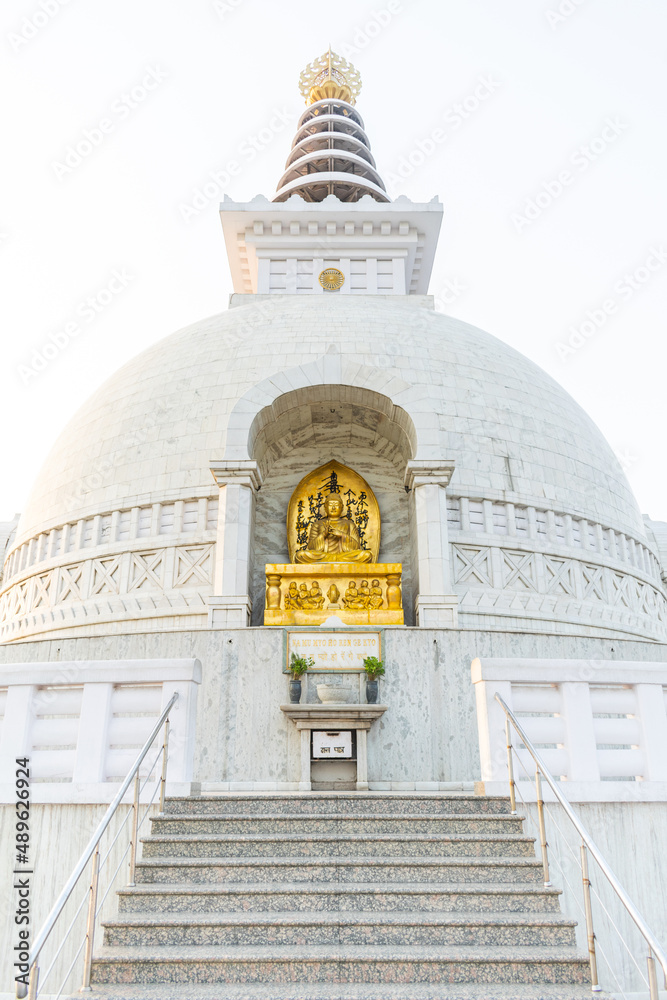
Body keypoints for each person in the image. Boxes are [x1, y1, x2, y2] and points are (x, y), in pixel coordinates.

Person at [295, 493, 372, 563]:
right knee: (300, 555)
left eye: (336, 504)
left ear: (341, 507)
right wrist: (324, 534)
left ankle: (335, 559)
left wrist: (341, 535)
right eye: (331, 505)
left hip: (344, 556)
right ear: (325, 508)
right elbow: (311, 547)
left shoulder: (350, 524)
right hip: (323, 556)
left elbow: (356, 546)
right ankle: (333, 559)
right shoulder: (317, 524)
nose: (334, 507)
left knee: (366, 555)